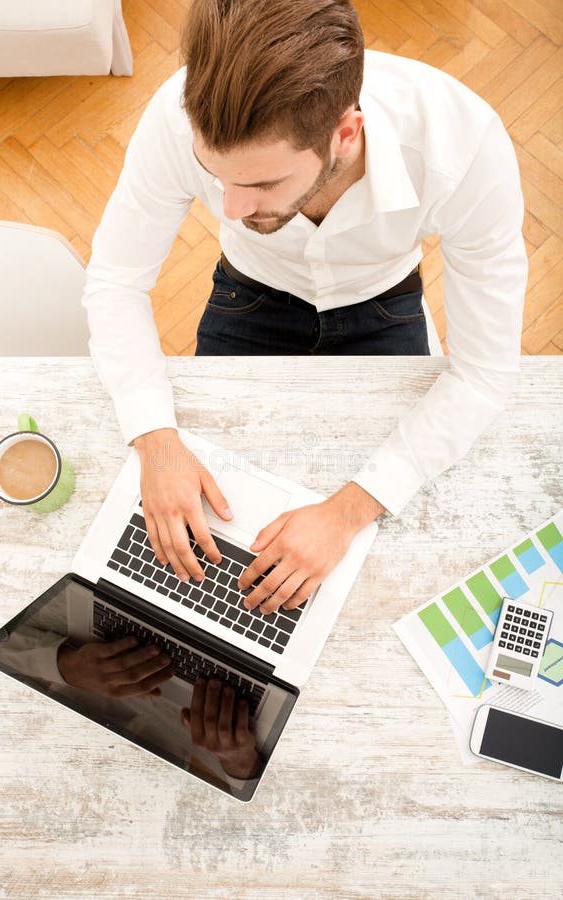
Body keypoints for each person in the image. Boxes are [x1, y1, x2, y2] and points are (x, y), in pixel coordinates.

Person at [82, 0, 527, 617]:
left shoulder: (464, 144)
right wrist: (155, 441)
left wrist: (347, 512)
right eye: (216, 176)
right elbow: (115, 281)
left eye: (262, 184)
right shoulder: (176, 111)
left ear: (345, 134)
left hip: (385, 309)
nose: (230, 209)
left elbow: (484, 373)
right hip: (249, 298)